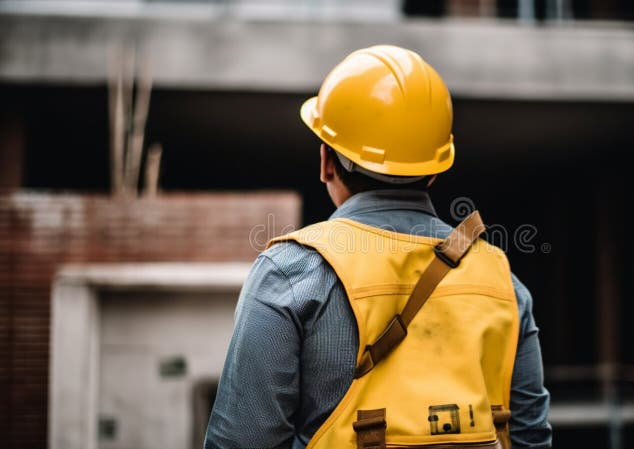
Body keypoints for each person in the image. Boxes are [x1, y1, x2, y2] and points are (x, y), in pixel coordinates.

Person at [205, 45, 551, 449]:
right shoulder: (502, 282)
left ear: (326, 162)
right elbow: (530, 438)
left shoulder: (290, 274)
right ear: (435, 170)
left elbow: (241, 441)